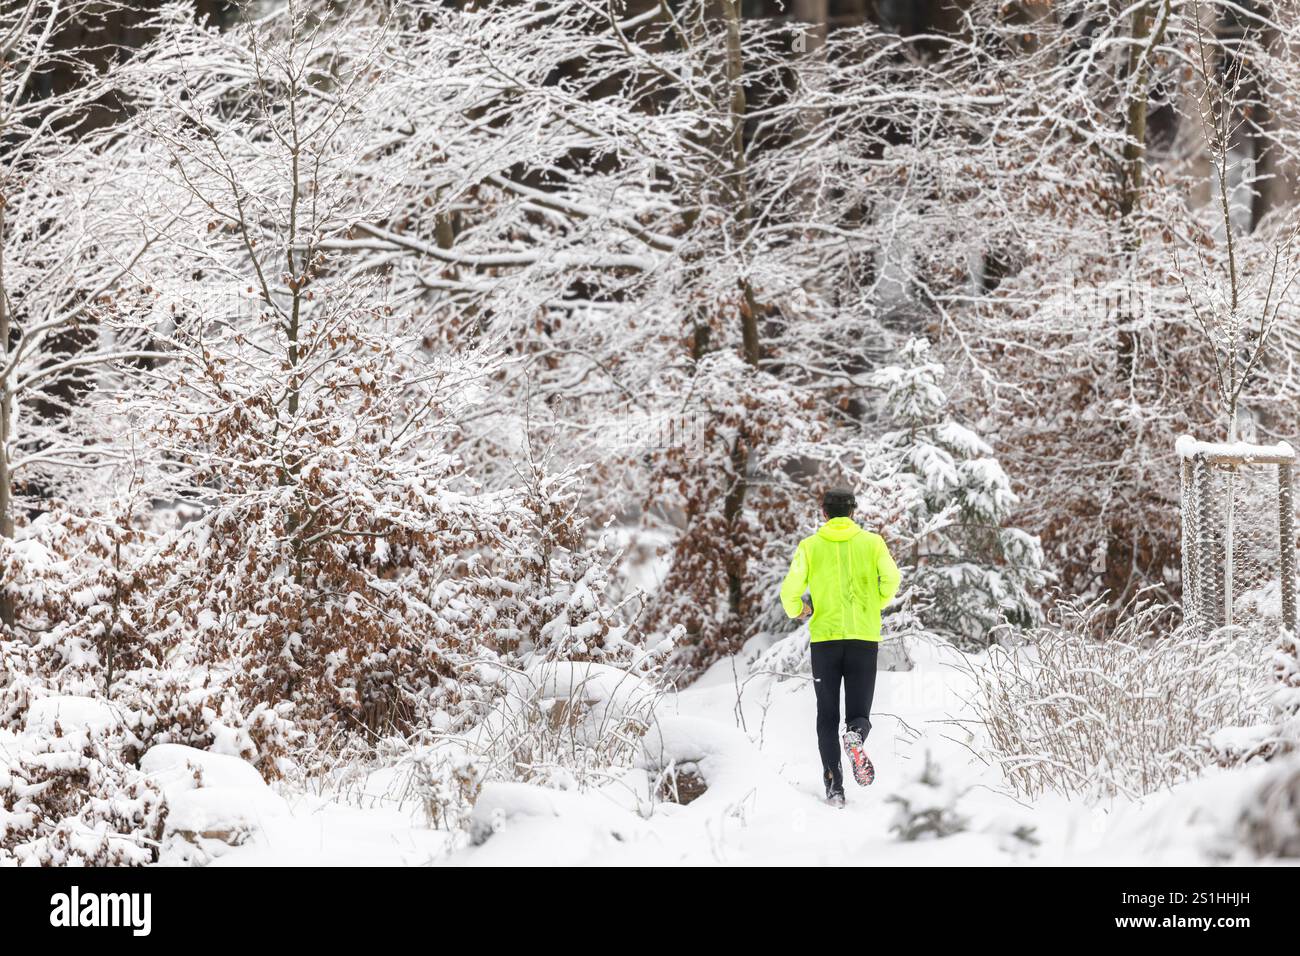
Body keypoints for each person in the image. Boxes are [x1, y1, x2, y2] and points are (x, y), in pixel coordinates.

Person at [779, 487, 901, 807]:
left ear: (823, 513)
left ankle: (834, 787)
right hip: (863, 639)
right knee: (858, 712)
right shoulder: (872, 543)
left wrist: (800, 610)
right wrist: (874, 603)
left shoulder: (810, 547)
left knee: (826, 716)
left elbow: (789, 592)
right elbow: (892, 579)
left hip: (825, 642)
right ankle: (856, 736)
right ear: (852, 512)